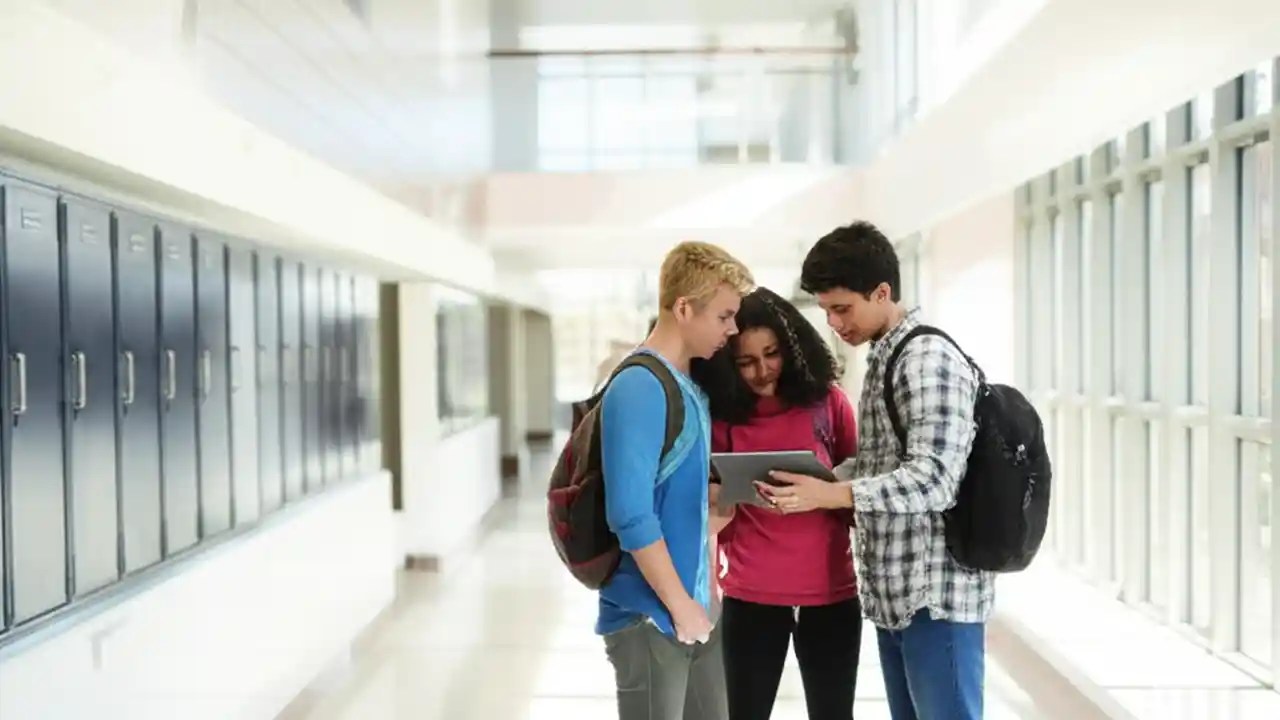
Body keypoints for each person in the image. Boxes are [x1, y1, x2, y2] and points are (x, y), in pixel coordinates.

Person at [761, 221, 992, 720]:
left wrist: (832, 496)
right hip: (897, 595)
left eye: (842, 308)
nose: (834, 324)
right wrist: (822, 477)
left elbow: (934, 478)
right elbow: (884, 464)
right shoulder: (887, 355)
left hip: (936, 597)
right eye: (825, 311)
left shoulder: (926, 358)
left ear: (882, 292)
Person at [598, 240, 754, 720]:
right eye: (724, 316)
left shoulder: (687, 385)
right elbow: (629, 513)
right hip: (652, 615)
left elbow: (663, 494)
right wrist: (680, 605)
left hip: (696, 609)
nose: (732, 330)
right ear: (684, 308)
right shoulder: (639, 385)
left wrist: (708, 510)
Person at [691, 287, 861, 720]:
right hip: (751, 596)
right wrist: (715, 500)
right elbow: (710, 512)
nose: (762, 371)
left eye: (771, 354)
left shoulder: (828, 404)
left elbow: (858, 486)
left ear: (792, 349)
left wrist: (820, 494)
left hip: (830, 593)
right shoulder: (721, 419)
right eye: (745, 361)